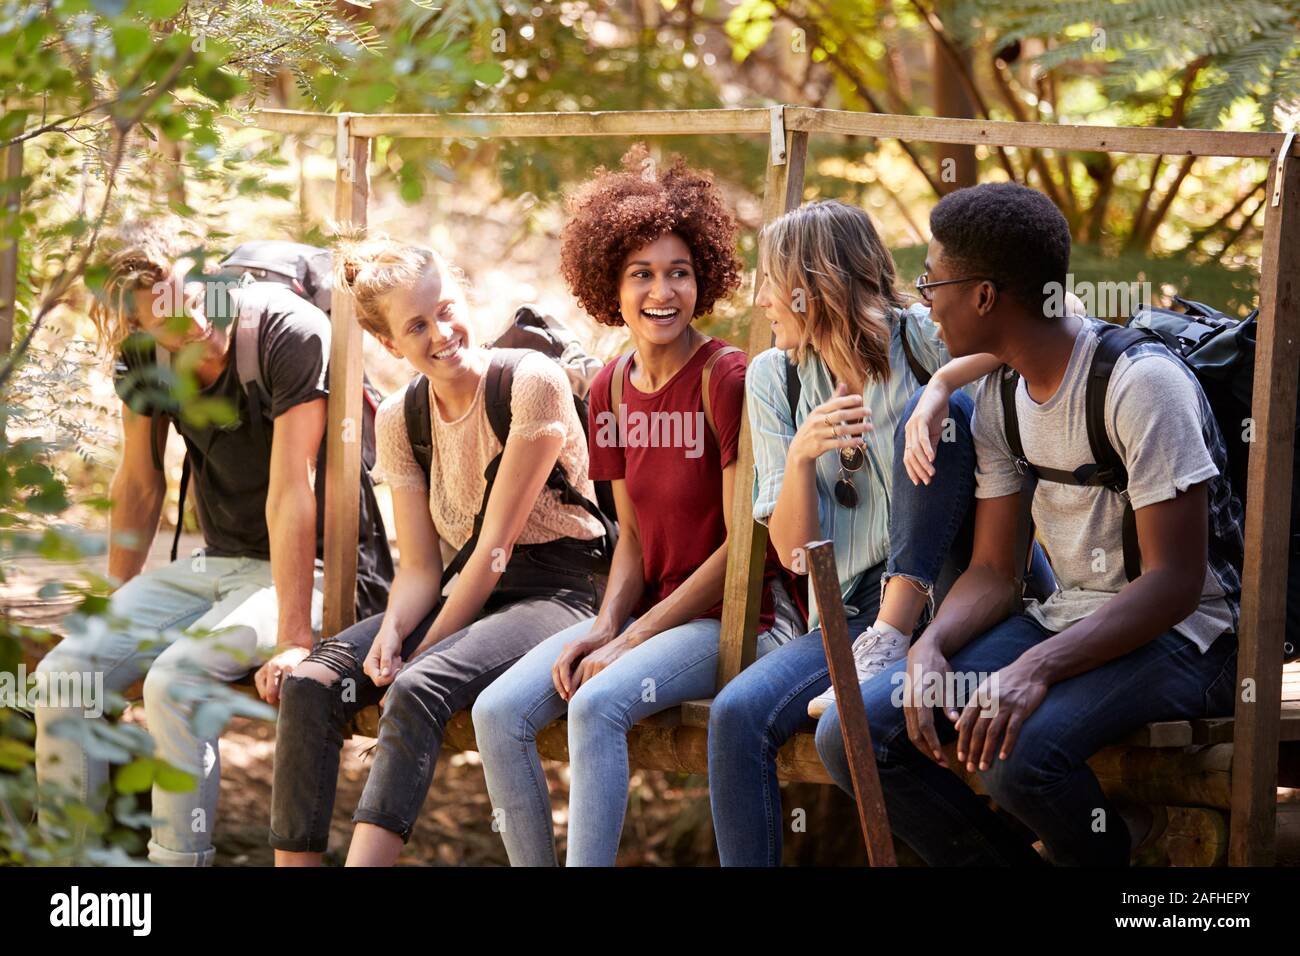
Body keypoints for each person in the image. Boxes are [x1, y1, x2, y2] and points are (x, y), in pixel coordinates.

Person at [816, 182, 1243, 865]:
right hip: (1068, 616)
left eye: (934, 281)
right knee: (853, 731)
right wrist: (932, 645)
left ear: (984, 296)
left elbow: (1176, 584)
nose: (924, 298)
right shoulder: (999, 391)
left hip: (1191, 638)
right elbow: (993, 569)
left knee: (1016, 759)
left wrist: (1034, 669)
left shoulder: (1139, 386)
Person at [473, 147, 796, 867]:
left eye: (679, 272)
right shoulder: (610, 389)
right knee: (498, 713)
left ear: (702, 279)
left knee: (596, 704)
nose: (663, 291)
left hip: (739, 617)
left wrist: (628, 639)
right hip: (649, 615)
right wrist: (606, 625)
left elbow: (751, 545)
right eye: (642, 274)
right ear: (609, 287)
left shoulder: (727, 379)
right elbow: (634, 542)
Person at [707, 198, 1055, 866]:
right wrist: (804, 456)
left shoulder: (921, 337)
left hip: (957, 590)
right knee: (736, 715)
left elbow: (1048, 324)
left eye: (771, 284)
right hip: (849, 613)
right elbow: (791, 554)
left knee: (857, 732)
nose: (763, 302)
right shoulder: (775, 377)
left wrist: (940, 385)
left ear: (810, 288)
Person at [35, 217, 369, 866]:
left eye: (194, 296)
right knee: (61, 678)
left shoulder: (288, 332)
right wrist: (112, 608)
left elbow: (293, 489)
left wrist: (298, 636)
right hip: (212, 564)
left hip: (310, 569)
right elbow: (137, 482)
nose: (195, 323)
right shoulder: (141, 359)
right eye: (169, 323)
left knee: (174, 683)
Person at [269, 236, 608, 866]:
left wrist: (419, 654)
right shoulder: (401, 418)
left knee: (418, 686)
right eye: (417, 326)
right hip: (468, 589)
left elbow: (496, 550)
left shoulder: (530, 382)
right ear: (391, 345)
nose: (442, 332)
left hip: (559, 590)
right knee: (312, 682)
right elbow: (423, 567)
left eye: (446, 309)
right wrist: (392, 633)